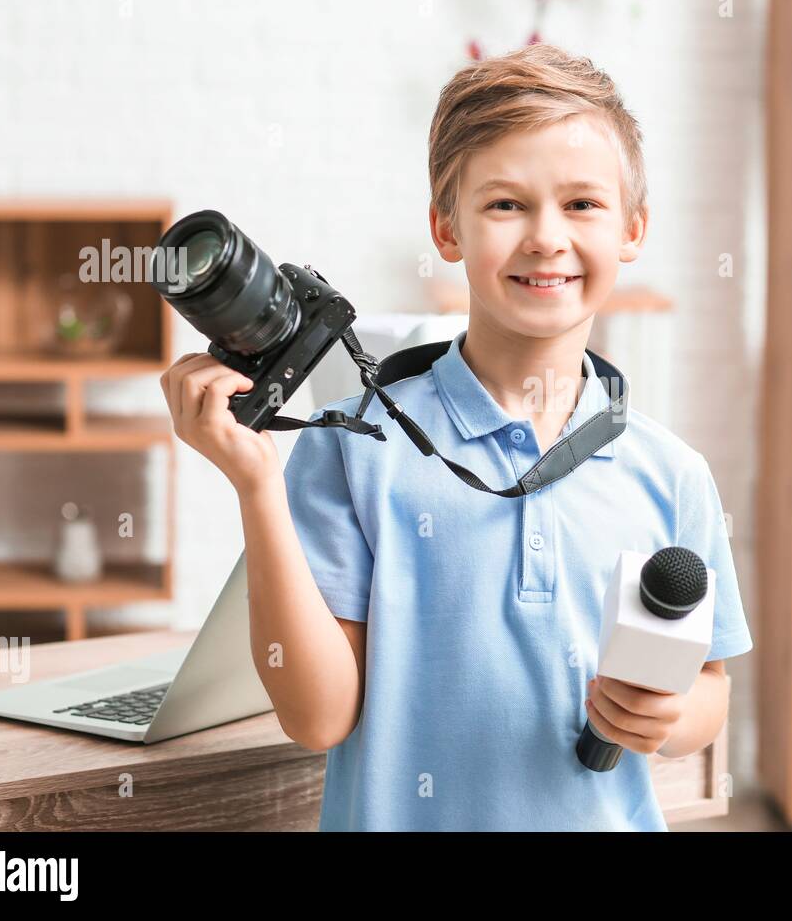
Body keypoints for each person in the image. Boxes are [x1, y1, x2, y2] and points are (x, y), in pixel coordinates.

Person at [159, 43, 752, 830]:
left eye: (582, 205)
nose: (546, 237)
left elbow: (710, 687)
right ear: (447, 229)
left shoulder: (671, 472)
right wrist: (257, 484)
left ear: (633, 229)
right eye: (506, 205)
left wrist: (670, 718)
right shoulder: (355, 444)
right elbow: (318, 717)